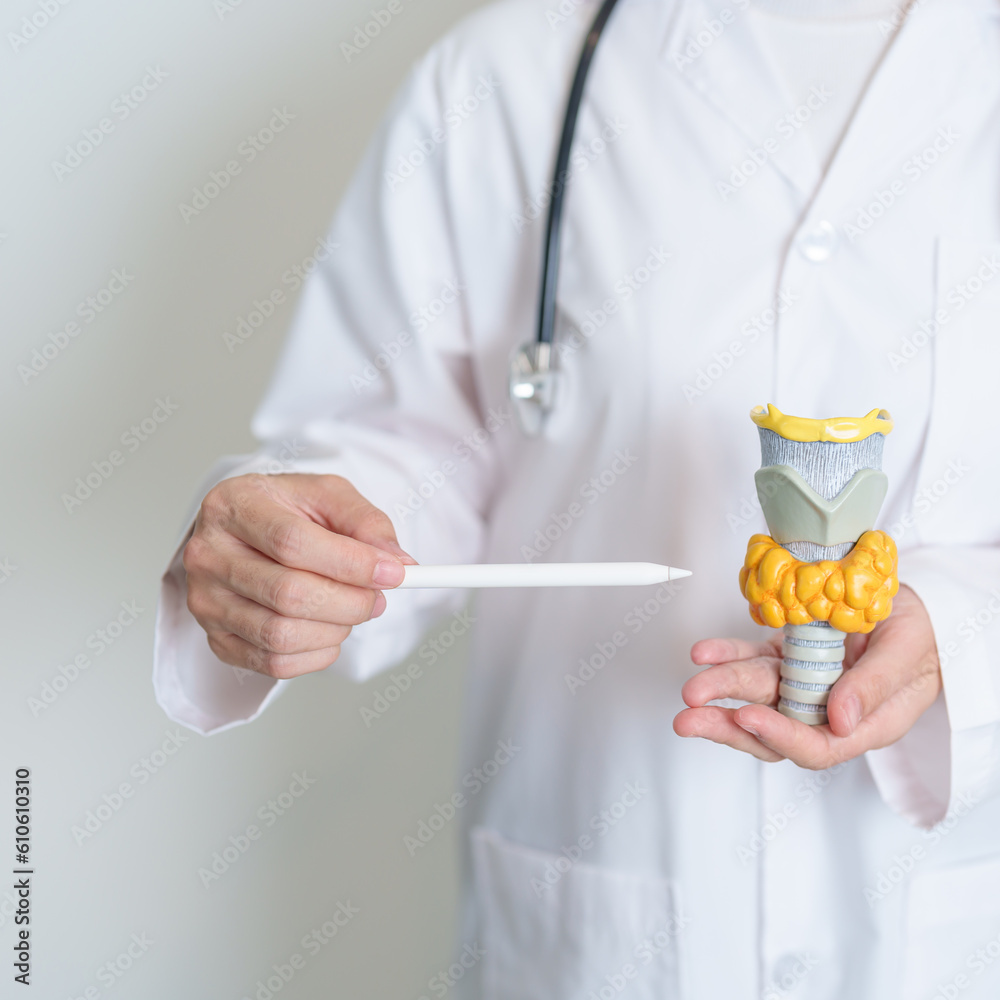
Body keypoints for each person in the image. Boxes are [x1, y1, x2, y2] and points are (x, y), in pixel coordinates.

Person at [154, 0, 1000, 995]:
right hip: (601, 926)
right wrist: (289, 551)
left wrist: (966, 634)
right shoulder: (511, 75)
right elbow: (392, 449)